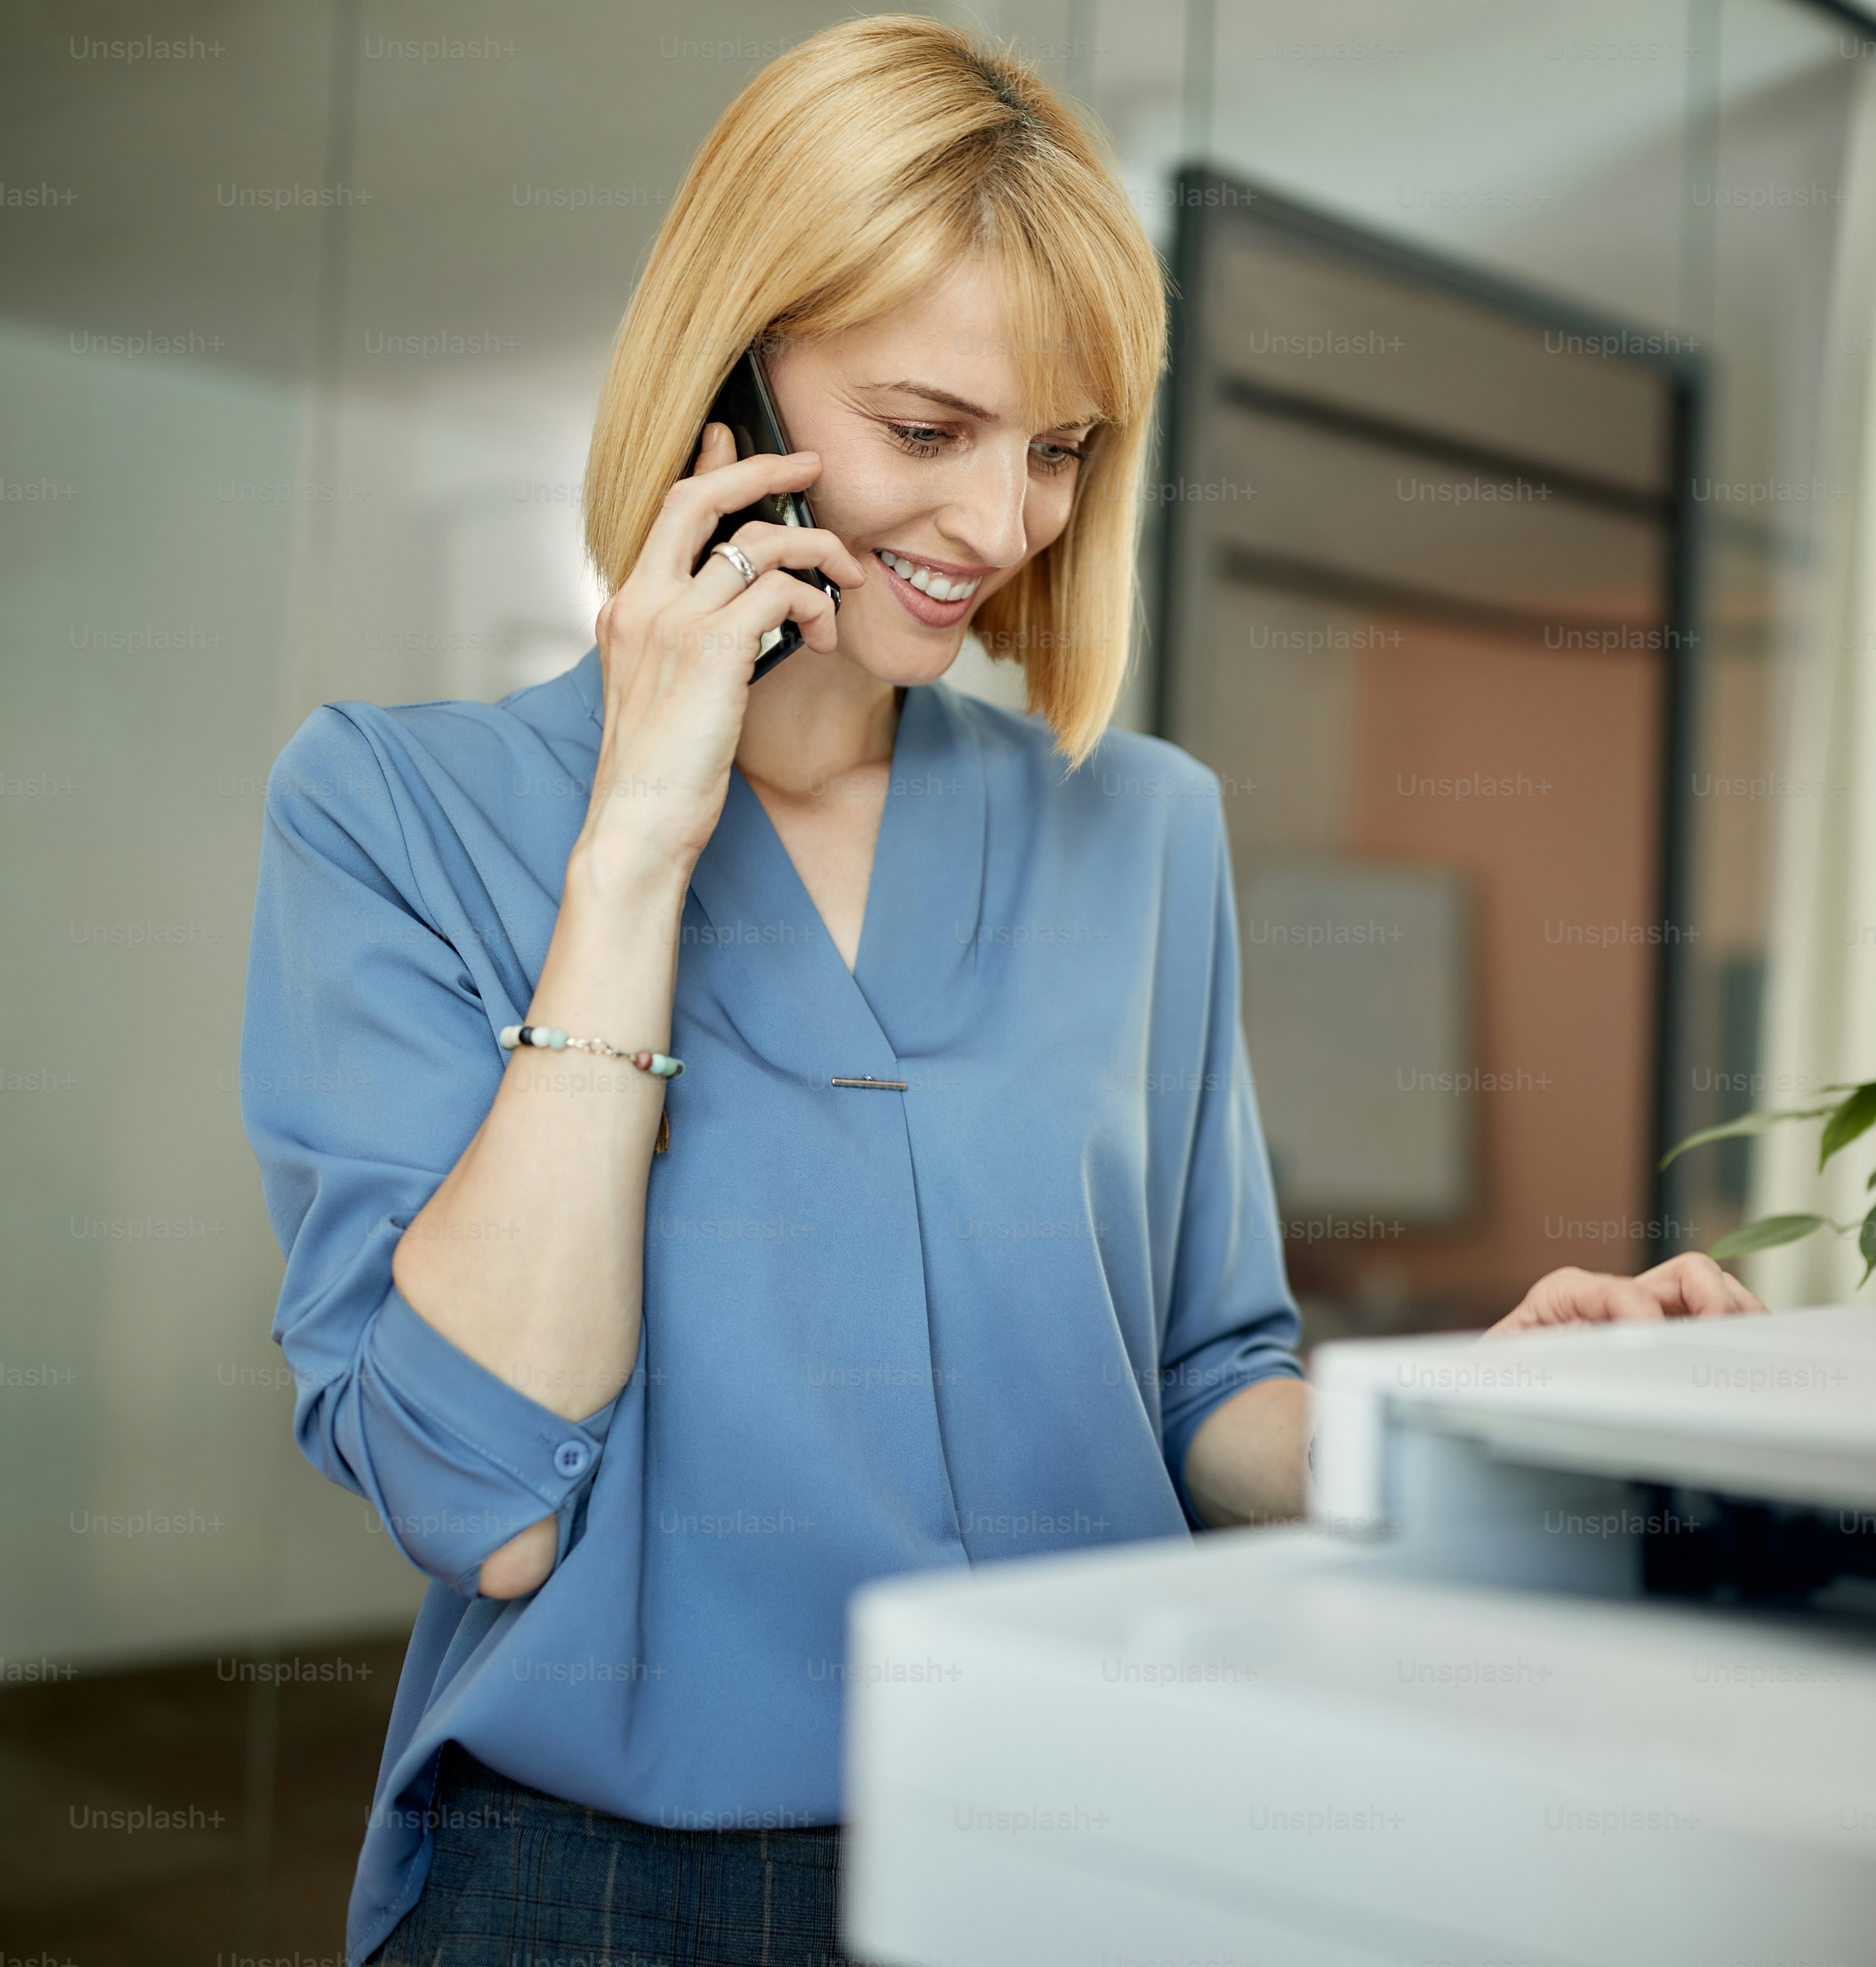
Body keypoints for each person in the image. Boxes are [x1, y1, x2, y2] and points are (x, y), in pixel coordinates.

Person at [235, 18, 1762, 1965]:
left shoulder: (1139, 829)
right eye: (927, 431)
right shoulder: (396, 808)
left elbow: (1210, 1389)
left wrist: (1480, 1419)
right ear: (731, 375)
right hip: (611, 1888)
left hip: (1093, 1839)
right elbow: (485, 1507)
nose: (1001, 528)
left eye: (1057, 451)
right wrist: (634, 850)